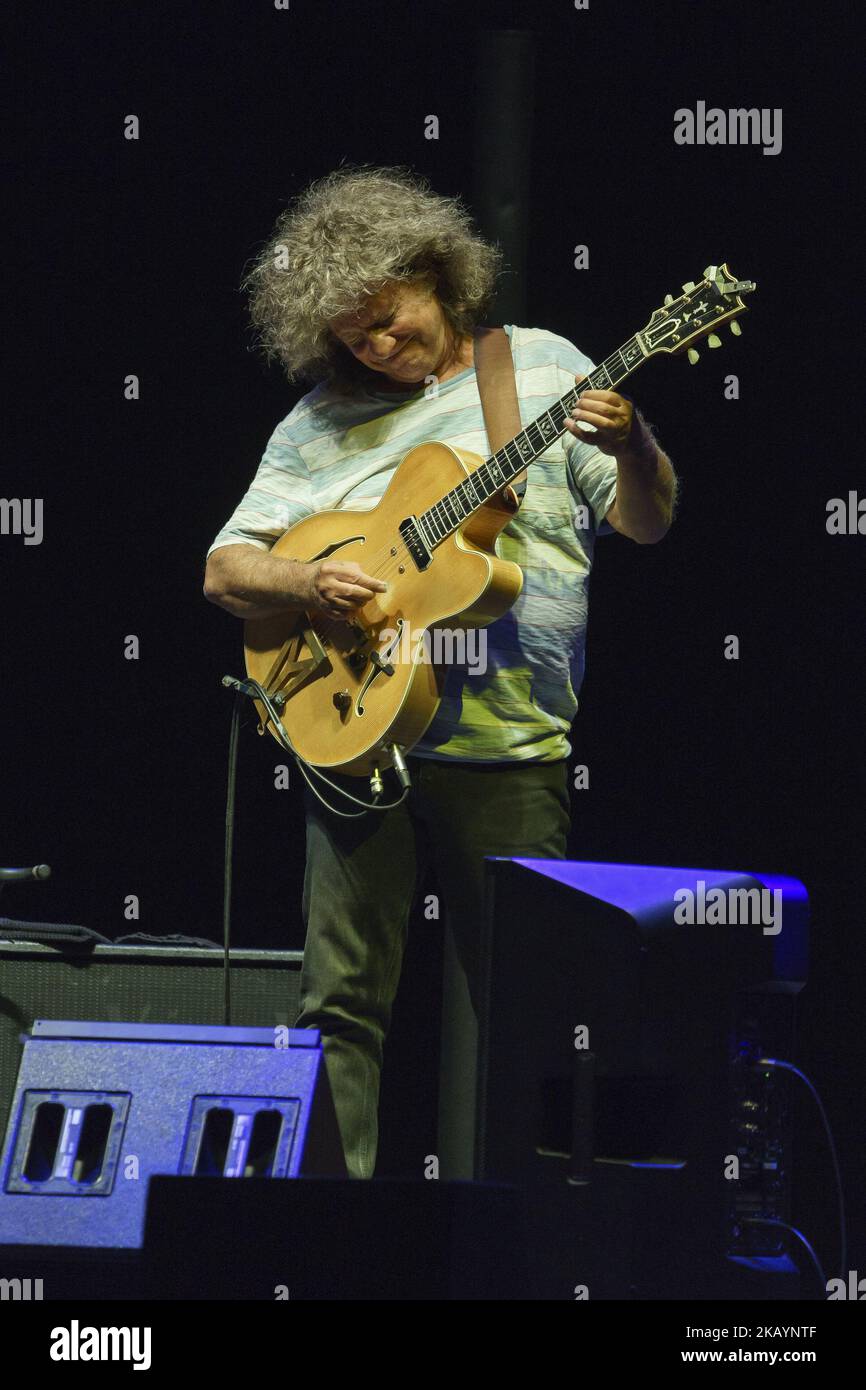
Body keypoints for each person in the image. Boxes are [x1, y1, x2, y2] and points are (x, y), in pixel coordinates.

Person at [204, 165, 677, 1179]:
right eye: (352, 335)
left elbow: (643, 519)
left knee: (537, 1016)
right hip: (352, 734)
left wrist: (634, 442)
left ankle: (529, 1247)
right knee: (336, 1005)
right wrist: (308, 576)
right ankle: (329, 1243)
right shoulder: (319, 420)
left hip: (508, 751)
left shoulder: (536, 368)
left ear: (437, 275)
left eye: (387, 316)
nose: (377, 344)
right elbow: (226, 568)